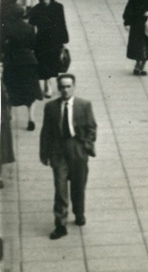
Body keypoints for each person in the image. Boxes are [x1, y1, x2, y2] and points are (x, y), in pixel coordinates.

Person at [39, 73, 97, 239]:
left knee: (78, 187)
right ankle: (60, 224)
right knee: (60, 188)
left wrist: (86, 145)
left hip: (77, 150)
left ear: (73, 87)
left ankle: (79, 213)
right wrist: (44, 153)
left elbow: (92, 127)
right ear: (58, 88)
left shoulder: (84, 105)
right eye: (62, 87)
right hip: (58, 152)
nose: (65, 90)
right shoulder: (51, 107)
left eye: (68, 86)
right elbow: (46, 132)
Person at [2, 0, 42, 130]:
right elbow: (34, 45)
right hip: (28, 61)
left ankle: (10, 116)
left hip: (12, 62)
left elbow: (2, 47)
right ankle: (31, 118)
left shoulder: (7, 29)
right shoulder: (30, 28)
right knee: (31, 90)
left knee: (10, 88)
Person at [28, 0, 70, 99]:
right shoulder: (37, 9)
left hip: (54, 40)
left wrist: (64, 40)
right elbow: (31, 23)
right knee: (43, 64)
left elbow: (62, 23)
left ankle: (53, 85)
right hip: (41, 40)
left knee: (54, 63)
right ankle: (48, 86)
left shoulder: (58, 7)